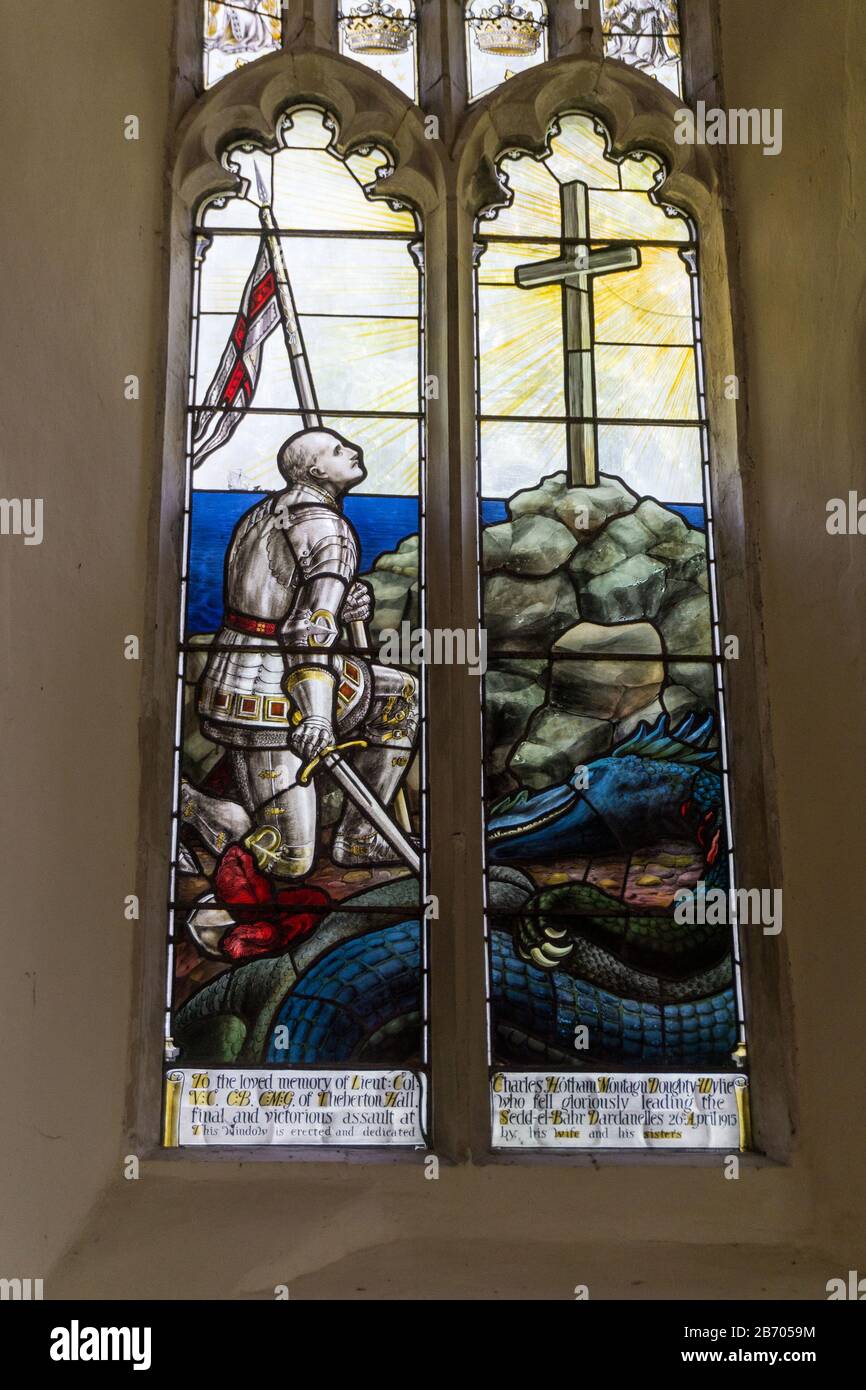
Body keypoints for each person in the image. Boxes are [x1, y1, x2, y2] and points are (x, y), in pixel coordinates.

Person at [183, 428, 418, 879]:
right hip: (265, 693)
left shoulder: (266, 511)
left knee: (399, 693)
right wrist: (316, 716)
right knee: (290, 860)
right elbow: (306, 628)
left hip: (253, 664)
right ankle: (191, 803)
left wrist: (345, 595)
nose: (353, 449)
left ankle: (362, 837)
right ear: (314, 471)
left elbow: (278, 595)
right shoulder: (329, 529)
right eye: (337, 450)